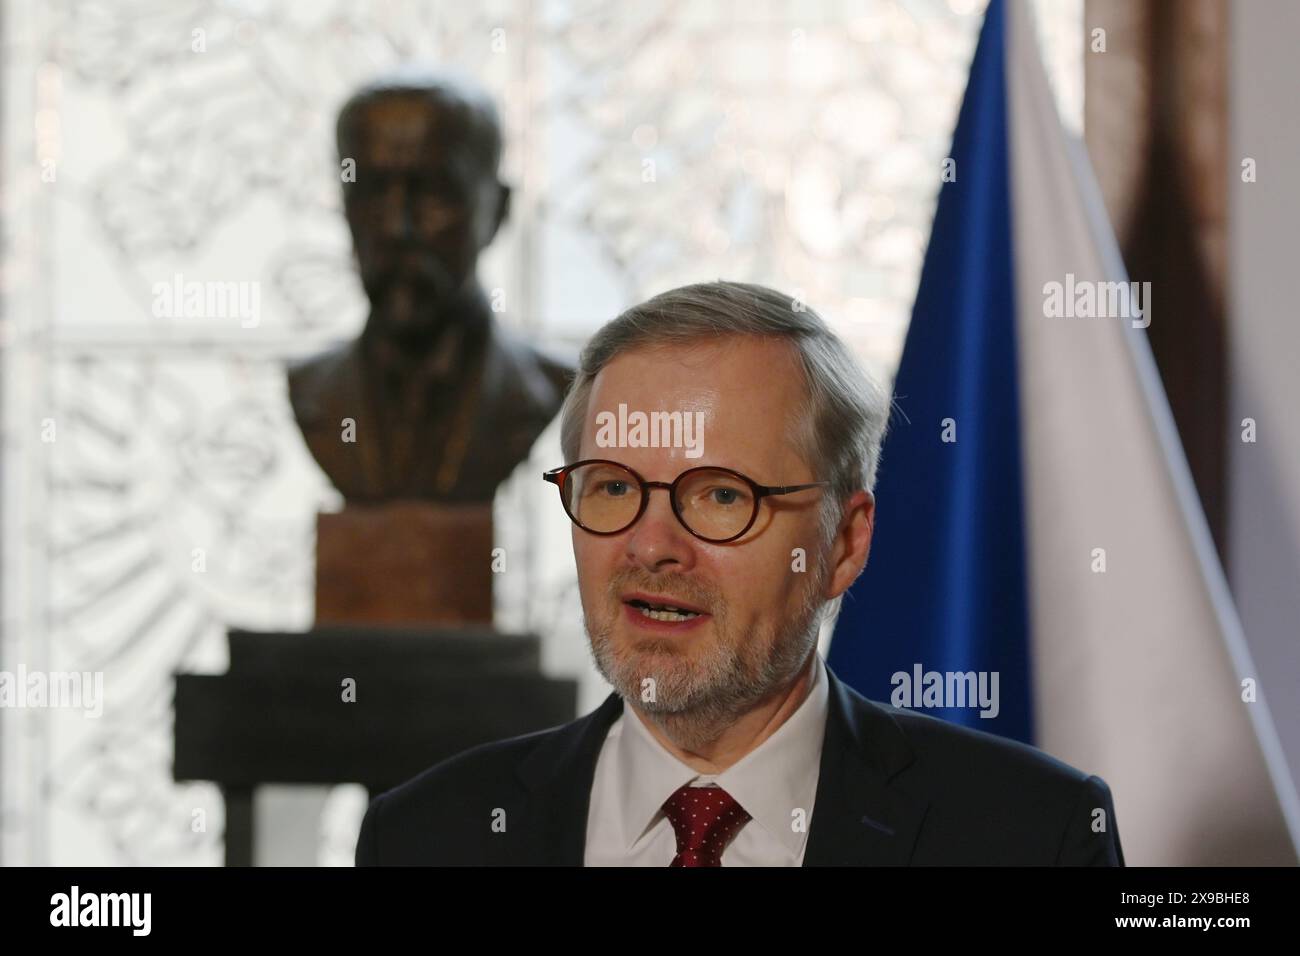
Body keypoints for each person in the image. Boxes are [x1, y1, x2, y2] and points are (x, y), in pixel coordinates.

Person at [355, 280, 1125, 866]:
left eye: (722, 496)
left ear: (845, 543)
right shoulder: (428, 837)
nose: (650, 546)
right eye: (615, 487)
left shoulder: (1030, 835)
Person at [288, 69, 569, 502]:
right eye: (373, 194)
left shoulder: (543, 386)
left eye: (433, 194)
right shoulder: (315, 392)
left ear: (497, 211)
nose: (397, 229)